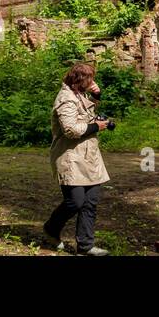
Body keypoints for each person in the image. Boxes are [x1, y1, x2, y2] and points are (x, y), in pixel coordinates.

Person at [43, 63, 110, 256]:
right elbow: (71, 129)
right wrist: (97, 127)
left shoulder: (79, 95)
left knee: (90, 202)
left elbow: (87, 113)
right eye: (89, 79)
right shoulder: (66, 98)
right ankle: (51, 229)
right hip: (70, 157)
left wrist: (96, 96)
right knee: (75, 201)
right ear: (79, 80)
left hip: (89, 156)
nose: (92, 82)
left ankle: (85, 246)